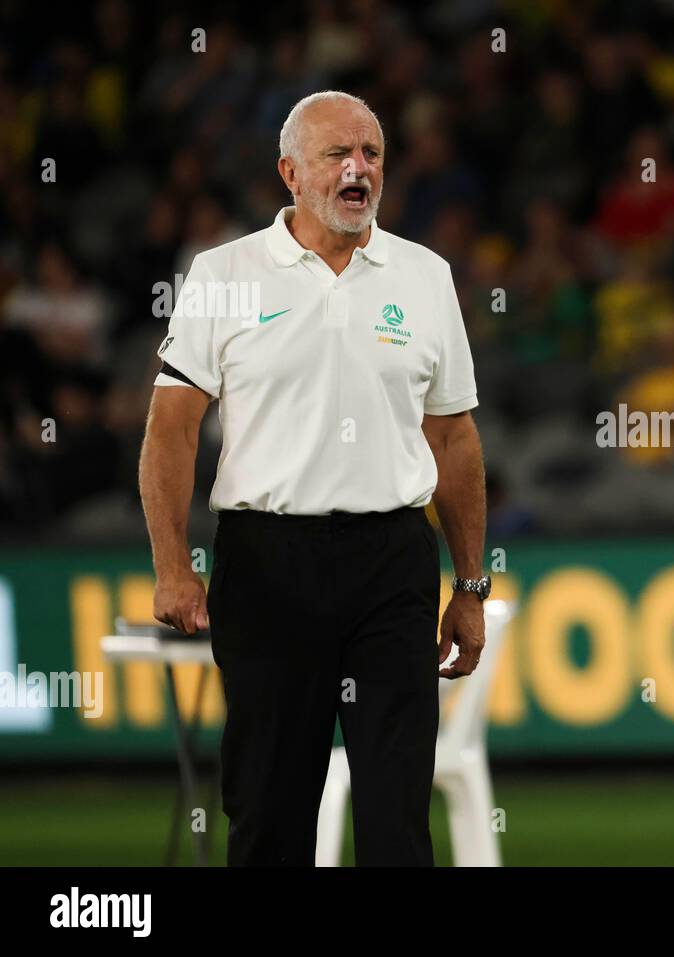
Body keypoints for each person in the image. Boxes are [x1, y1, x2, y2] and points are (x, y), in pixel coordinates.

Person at [138, 91, 490, 867]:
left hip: (392, 560)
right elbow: (172, 427)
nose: (359, 169)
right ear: (290, 173)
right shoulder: (223, 274)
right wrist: (171, 564)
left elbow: (454, 435)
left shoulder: (425, 276)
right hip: (266, 563)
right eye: (338, 155)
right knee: (267, 812)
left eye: (371, 154)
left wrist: (471, 585)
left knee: (397, 818)